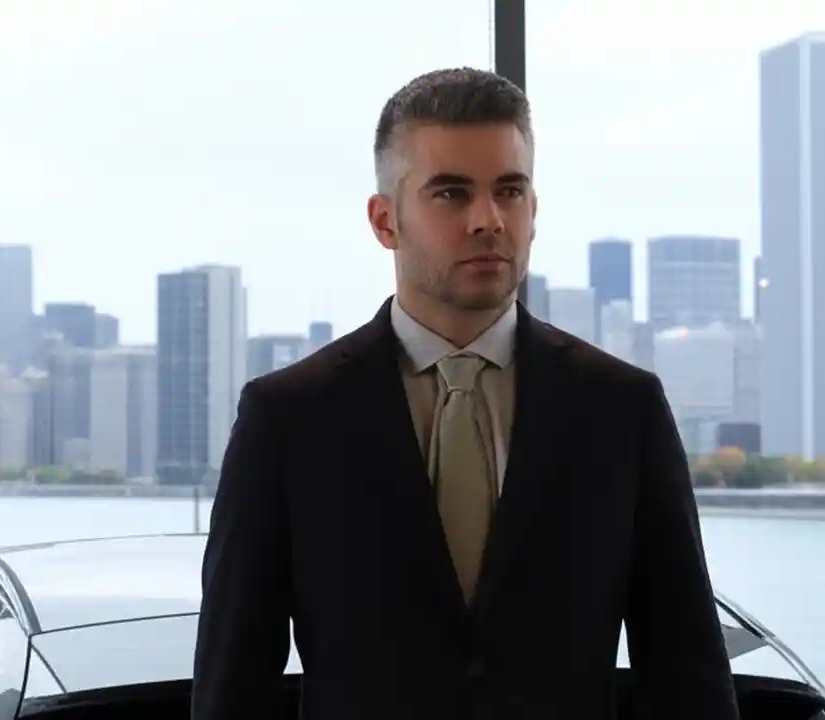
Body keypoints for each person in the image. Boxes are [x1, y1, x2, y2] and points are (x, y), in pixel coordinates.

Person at [192, 67, 739, 720]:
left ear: (533, 211)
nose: (488, 220)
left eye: (509, 191)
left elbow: (686, 669)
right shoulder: (290, 418)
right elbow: (233, 682)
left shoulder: (620, 409)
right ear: (384, 220)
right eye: (451, 194)